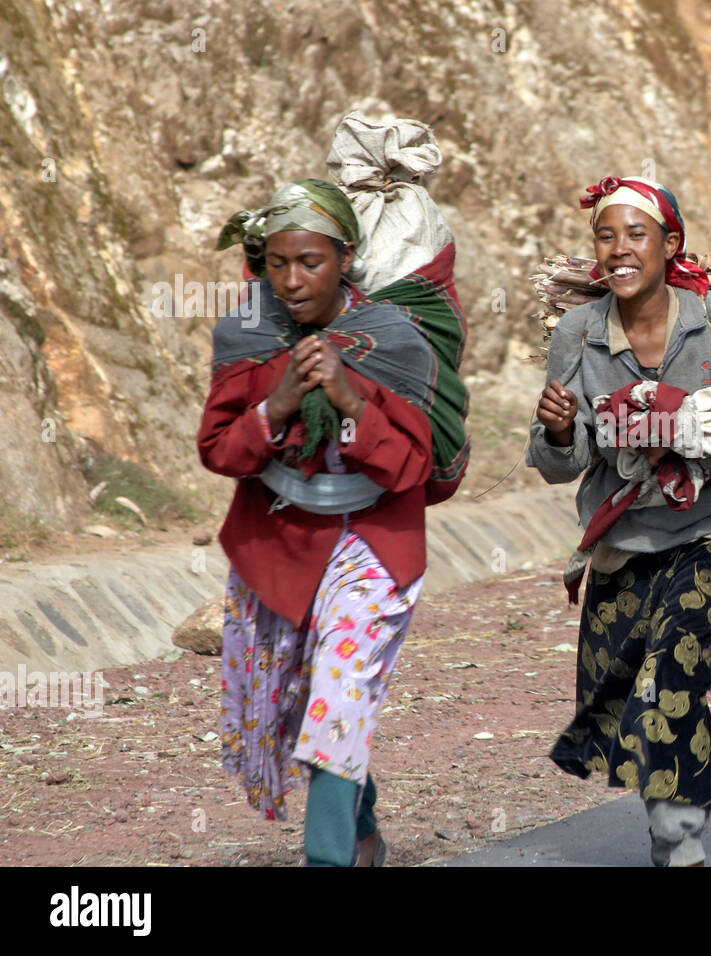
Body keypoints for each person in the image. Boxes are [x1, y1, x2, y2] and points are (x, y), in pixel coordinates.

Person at [526, 175, 711, 865]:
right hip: (626, 533)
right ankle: (684, 799)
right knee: (616, 687)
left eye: (636, 234)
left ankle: (678, 833)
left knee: (670, 674)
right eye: (605, 235)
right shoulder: (579, 333)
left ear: (669, 244)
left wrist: (683, 431)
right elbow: (562, 462)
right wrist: (560, 434)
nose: (619, 249)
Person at [199, 178, 459, 865]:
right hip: (278, 544)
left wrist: (347, 397)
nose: (290, 280)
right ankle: (362, 831)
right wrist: (276, 406)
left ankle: (329, 859)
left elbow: (411, 466)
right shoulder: (247, 335)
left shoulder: (391, 339)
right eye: (276, 263)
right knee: (306, 702)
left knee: (338, 696)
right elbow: (219, 451)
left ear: (345, 258)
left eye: (309, 262)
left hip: (373, 543)